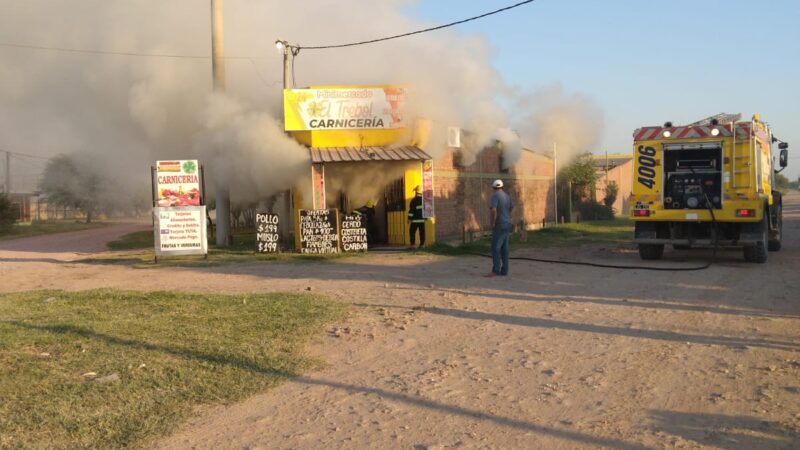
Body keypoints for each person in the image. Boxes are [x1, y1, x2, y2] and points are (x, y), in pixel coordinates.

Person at [485, 179, 513, 277]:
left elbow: (493, 210)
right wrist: (507, 217)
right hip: (507, 224)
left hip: (499, 224)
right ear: (502, 187)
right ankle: (504, 270)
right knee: (504, 248)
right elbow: (511, 208)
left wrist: (492, 222)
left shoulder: (495, 196)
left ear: (494, 188)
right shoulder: (507, 196)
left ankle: (495, 270)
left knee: (495, 247)